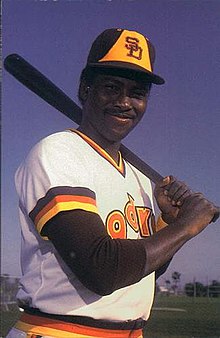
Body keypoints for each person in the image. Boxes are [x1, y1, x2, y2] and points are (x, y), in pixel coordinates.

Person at [7, 28, 217, 338]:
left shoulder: (140, 179)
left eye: (137, 92)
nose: (124, 102)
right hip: (60, 331)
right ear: (85, 89)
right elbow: (102, 270)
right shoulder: (58, 152)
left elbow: (143, 272)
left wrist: (167, 225)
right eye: (111, 87)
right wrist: (185, 227)